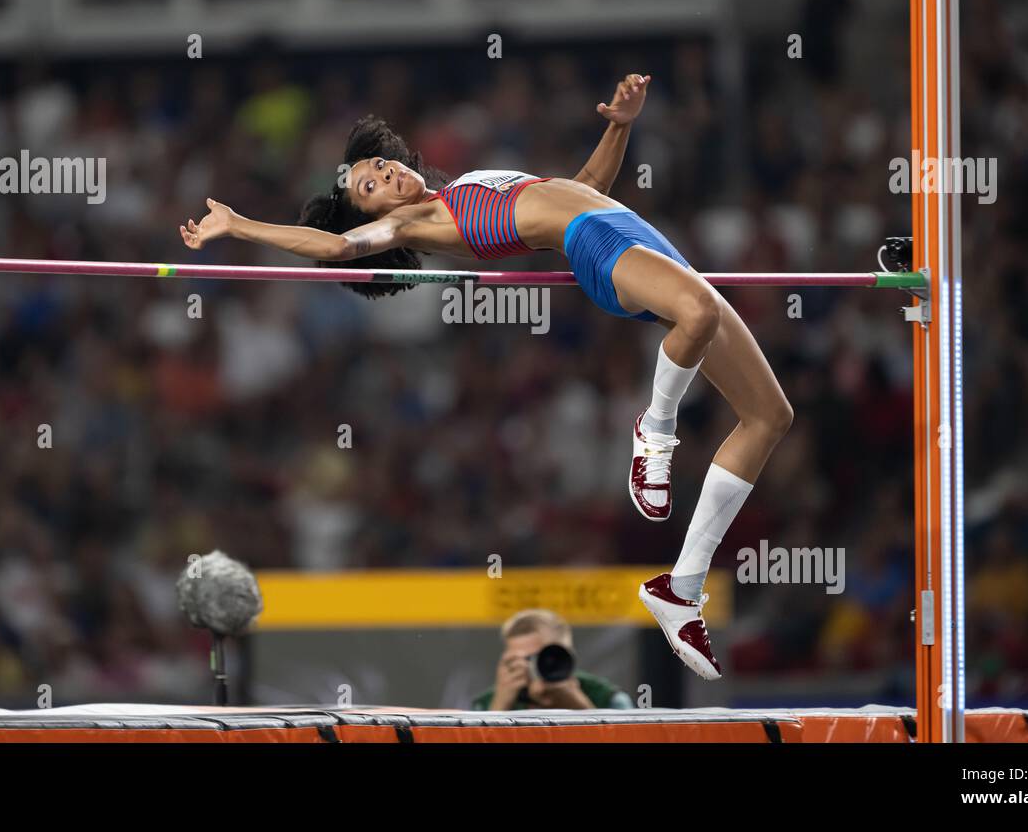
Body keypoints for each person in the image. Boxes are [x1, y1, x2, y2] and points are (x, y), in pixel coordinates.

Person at [180, 75, 793, 680]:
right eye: (369, 188)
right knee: (699, 313)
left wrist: (618, 127)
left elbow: (581, 189)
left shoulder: (464, 187)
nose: (383, 175)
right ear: (376, 218)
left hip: (628, 231)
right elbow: (337, 250)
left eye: (377, 165)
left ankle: (681, 589)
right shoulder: (411, 226)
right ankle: (653, 435)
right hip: (597, 246)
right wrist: (240, 226)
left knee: (769, 416)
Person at [471, 610, 632, 712]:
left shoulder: (607, 698)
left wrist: (580, 707)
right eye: (525, 660)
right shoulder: (486, 704)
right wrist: (499, 709)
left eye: (544, 657)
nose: (534, 668)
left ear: (566, 657)